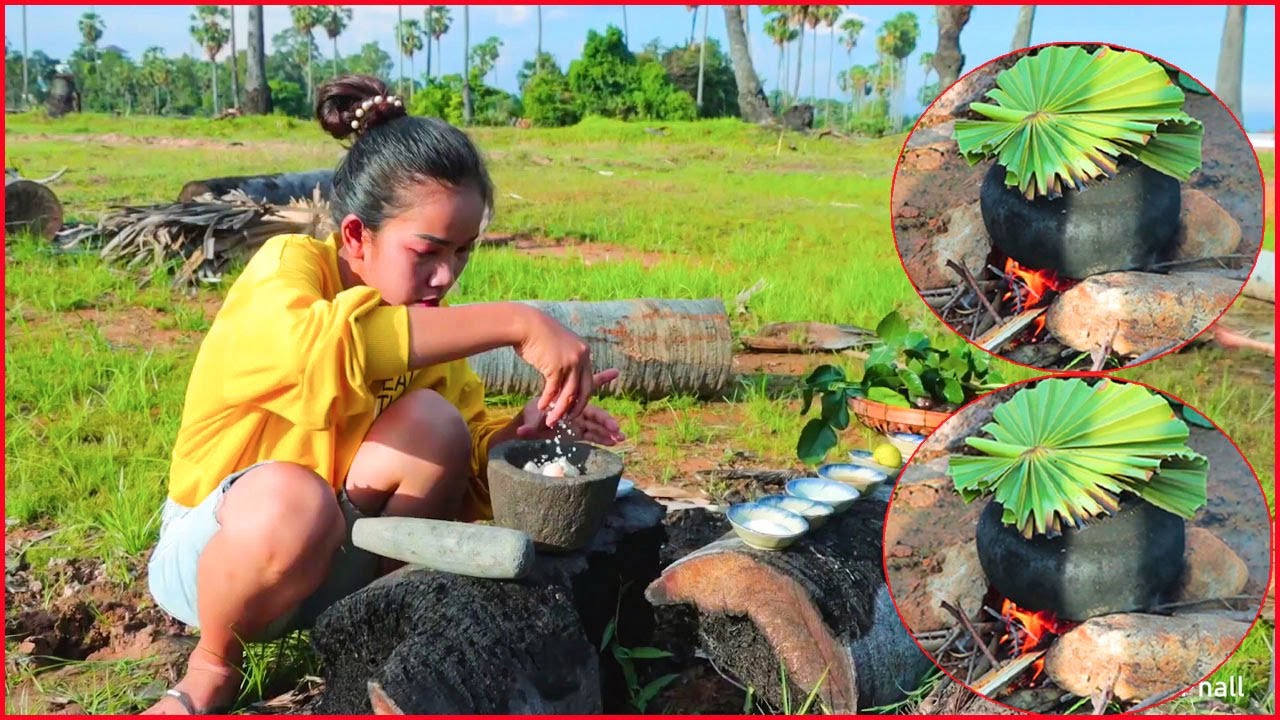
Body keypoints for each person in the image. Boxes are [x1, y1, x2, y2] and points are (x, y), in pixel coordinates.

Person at [143, 75, 625, 715]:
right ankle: (212, 663)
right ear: (354, 237)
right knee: (295, 498)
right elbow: (324, 351)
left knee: (436, 422)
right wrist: (519, 320)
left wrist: (518, 435)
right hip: (227, 561)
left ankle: (371, 626)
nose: (447, 274)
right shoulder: (288, 272)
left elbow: (465, 462)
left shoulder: (423, 327)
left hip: (334, 561)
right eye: (427, 251)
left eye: (462, 252)